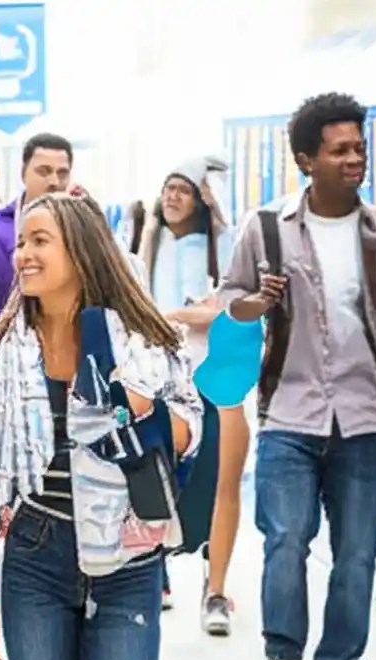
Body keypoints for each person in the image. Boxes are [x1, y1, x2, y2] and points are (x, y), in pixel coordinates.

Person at [0, 192, 203, 660]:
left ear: (81, 251)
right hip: (34, 557)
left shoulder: (138, 339)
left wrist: (139, 408)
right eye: (21, 242)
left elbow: (191, 428)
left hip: (127, 555)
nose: (23, 253)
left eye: (40, 241)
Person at [219, 92, 376, 660]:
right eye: (340, 150)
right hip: (289, 416)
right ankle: (281, 656)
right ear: (307, 160)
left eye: (360, 147)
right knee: (286, 541)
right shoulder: (265, 229)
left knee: (357, 551)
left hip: (365, 416)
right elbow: (232, 305)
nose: (356, 159)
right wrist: (258, 301)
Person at [135, 156, 248, 626]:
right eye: (168, 189)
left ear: (201, 198)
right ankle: (152, 569)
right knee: (153, 475)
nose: (173, 197)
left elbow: (229, 307)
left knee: (217, 479)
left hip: (216, 376)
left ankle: (215, 587)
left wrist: (180, 315)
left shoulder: (224, 244)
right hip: (159, 377)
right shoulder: (149, 244)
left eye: (184, 189)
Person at [0, 133, 72, 335]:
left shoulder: (80, 236)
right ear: (23, 173)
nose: (54, 181)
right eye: (44, 171)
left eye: (62, 173)